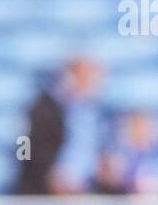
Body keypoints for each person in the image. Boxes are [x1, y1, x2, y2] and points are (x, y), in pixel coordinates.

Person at [14, 57, 107, 195]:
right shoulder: (42, 109)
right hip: (42, 192)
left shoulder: (99, 114)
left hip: (84, 190)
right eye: (84, 77)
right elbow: (25, 150)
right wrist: (49, 176)